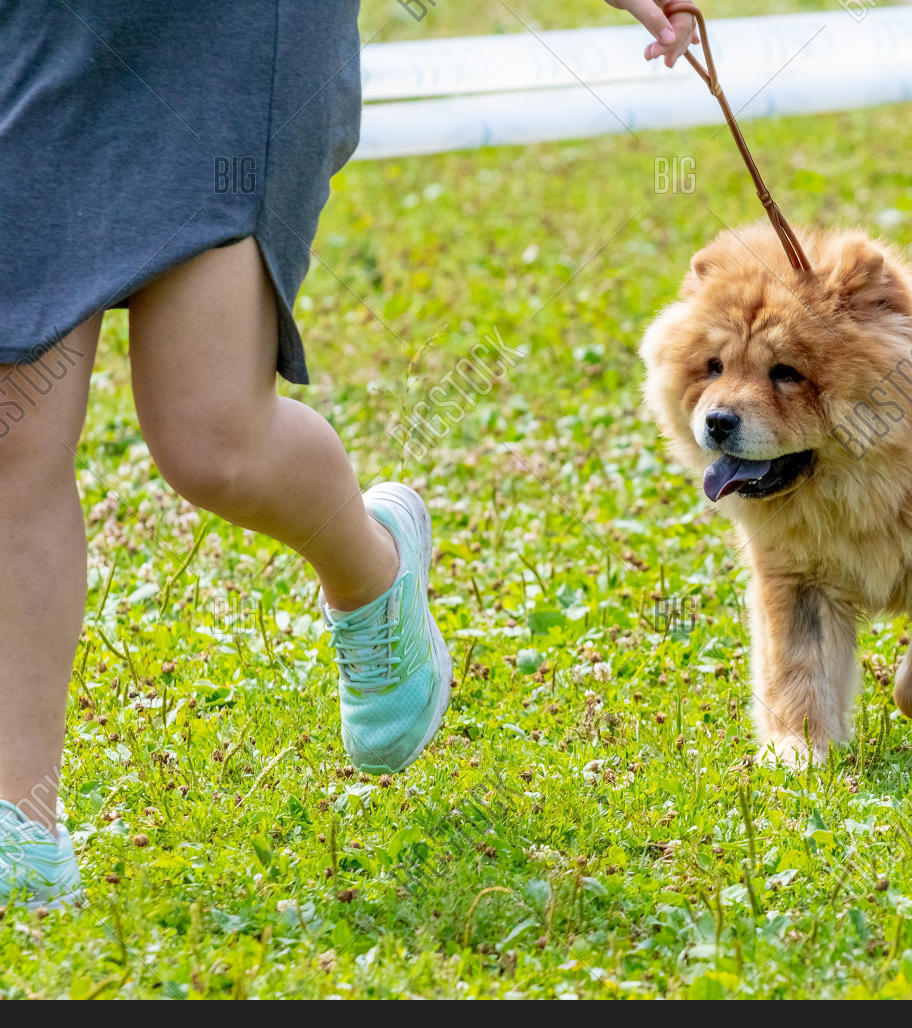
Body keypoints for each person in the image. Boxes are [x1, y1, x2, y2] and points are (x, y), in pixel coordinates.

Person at [0, 1, 696, 908]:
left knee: (212, 443)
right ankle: (22, 826)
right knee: (13, 435)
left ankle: (375, 569)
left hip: (231, 37)